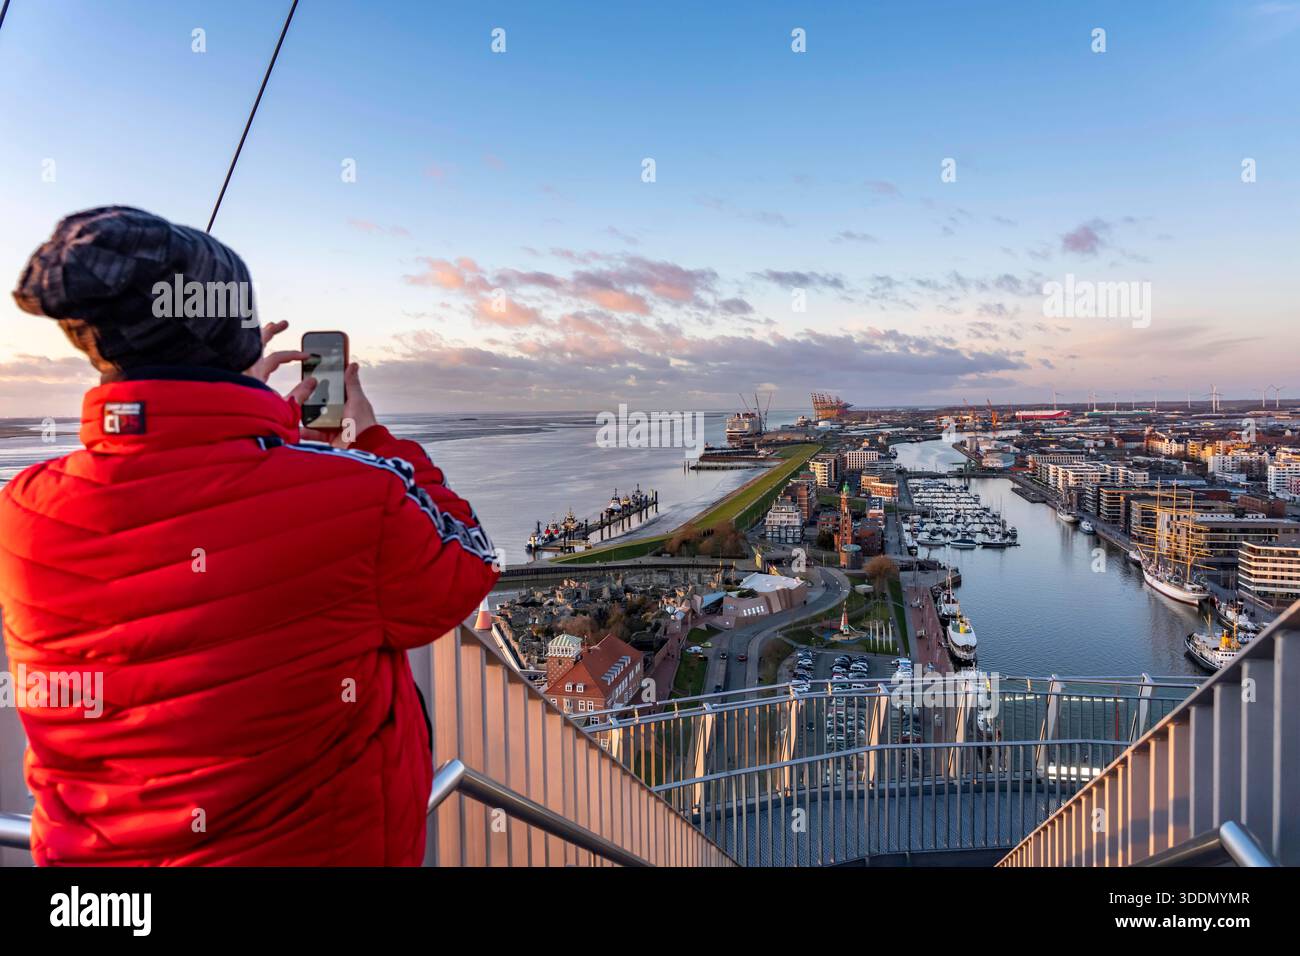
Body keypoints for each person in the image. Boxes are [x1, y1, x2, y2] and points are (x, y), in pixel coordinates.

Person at [0, 207, 499, 865]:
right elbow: (468, 560)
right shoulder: (360, 498)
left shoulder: (24, 511)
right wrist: (369, 439)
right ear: (235, 337)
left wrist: (249, 428)